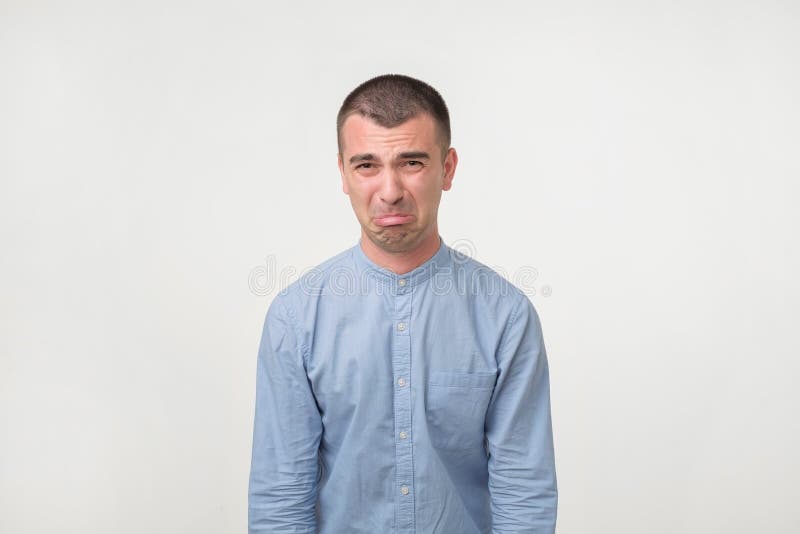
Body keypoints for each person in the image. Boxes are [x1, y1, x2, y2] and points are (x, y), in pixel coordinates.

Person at [248, 74, 557, 533]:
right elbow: (282, 495)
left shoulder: (505, 317)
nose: (389, 191)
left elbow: (523, 491)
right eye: (366, 165)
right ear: (343, 174)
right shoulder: (296, 319)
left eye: (411, 162)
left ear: (447, 169)